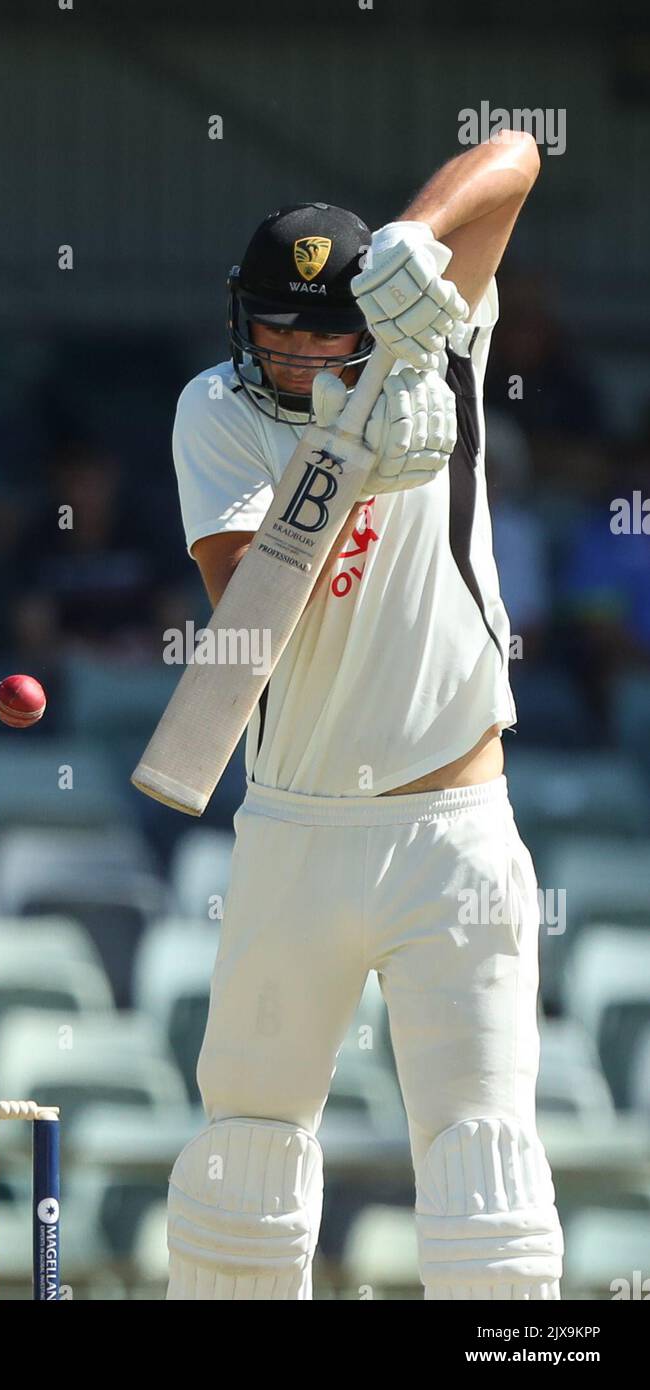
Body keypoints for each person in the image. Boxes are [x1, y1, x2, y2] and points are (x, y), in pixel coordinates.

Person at [164, 132, 564, 1300]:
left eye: (319, 332)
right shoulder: (214, 412)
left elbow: (514, 155)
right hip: (293, 828)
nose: (291, 356)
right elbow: (247, 622)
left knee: (482, 1167)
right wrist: (348, 462)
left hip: (452, 828)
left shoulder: (435, 340)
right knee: (243, 1154)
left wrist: (414, 242)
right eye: (272, 331)